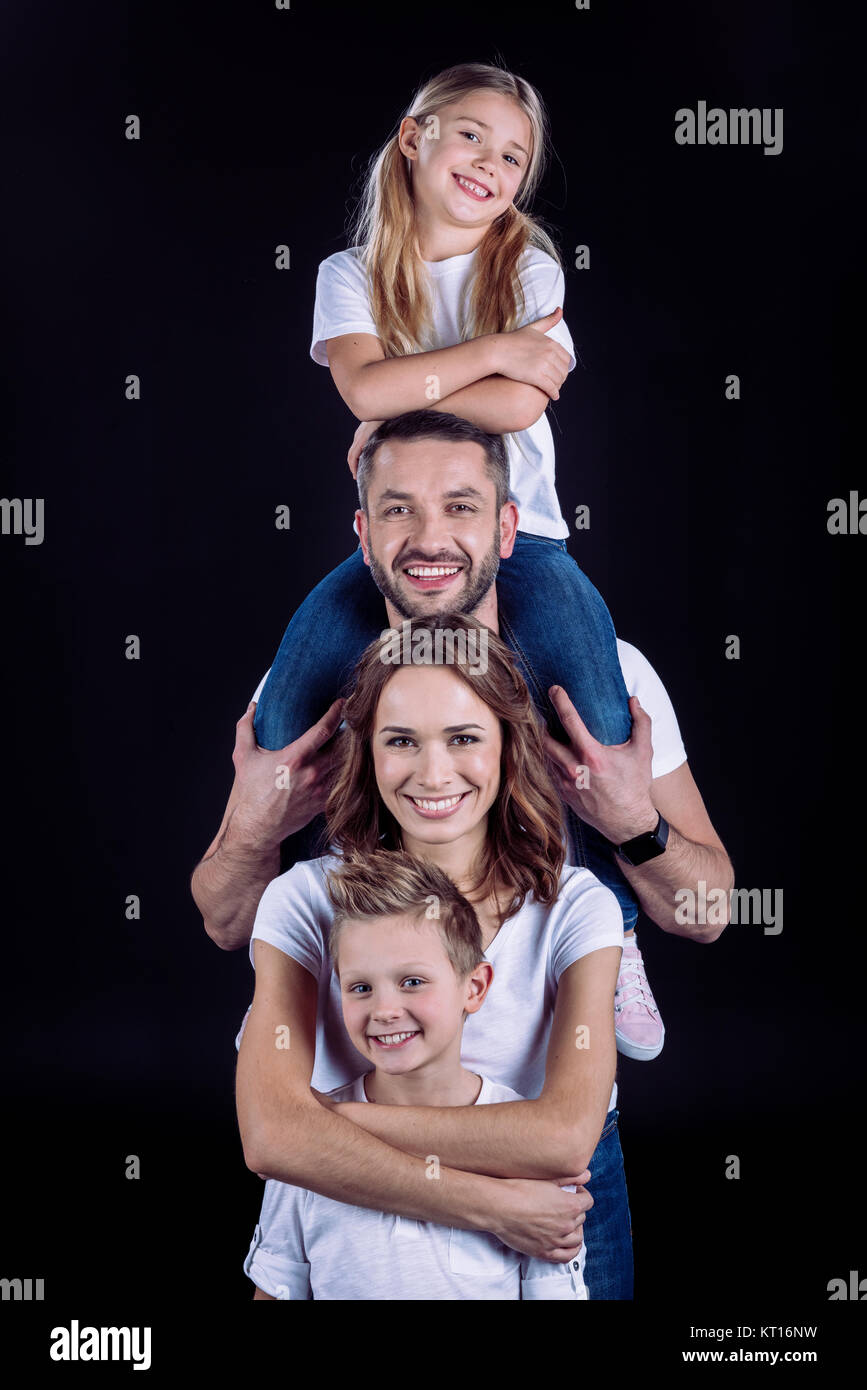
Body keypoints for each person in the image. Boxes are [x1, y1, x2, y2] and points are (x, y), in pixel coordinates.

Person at [248, 60, 664, 1054]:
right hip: (410, 548)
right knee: (287, 704)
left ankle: (621, 933)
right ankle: (307, 939)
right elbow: (362, 393)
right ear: (414, 138)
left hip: (524, 541)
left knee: (594, 717)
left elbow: (519, 409)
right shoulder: (348, 276)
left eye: (514, 154)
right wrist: (487, 356)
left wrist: (404, 389)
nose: (491, 163)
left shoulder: (527, 267)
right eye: (471, 134)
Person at [192, 412, 735, 1064]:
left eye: (460, 507)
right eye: (399, 510)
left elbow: (706, 914)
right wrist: (256, 830)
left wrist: (634, 825)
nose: (430, 539)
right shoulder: (304, 692)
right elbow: (225, 923)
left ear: (506, 528)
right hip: (351, 1121)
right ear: (363, 535)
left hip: (550, 1133)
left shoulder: (610, 680)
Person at [235, 613, 629, 1296]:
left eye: (464, 738)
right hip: (415, 1231)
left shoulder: (574, 906)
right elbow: (271, 1141)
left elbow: (564, 1139)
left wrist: (323, 1123)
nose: (431, 772)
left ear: (509, 745)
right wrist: (495, 1204)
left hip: (534, 1242)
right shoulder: (305, 899)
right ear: (369, 752)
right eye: (400, 741)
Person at [244, 852, 592, 1301]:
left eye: (412, 982)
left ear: (475, 987)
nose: (385, 1011)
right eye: (361, 987)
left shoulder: (524, 1161)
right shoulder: (306, 1150)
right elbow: (275, 1288)